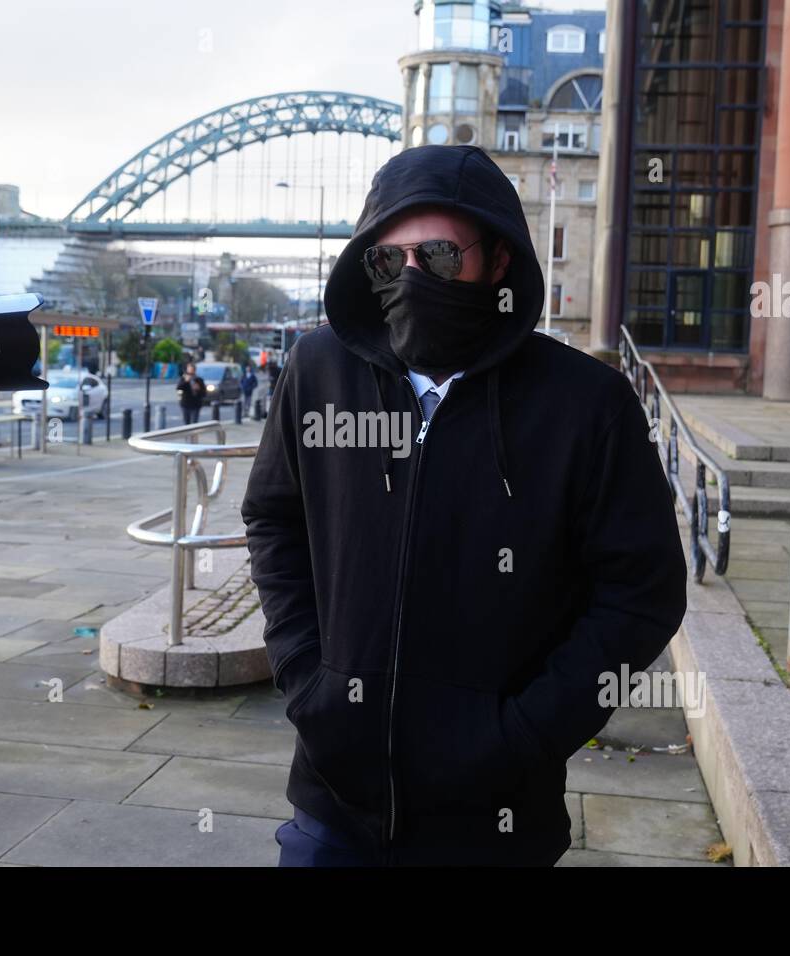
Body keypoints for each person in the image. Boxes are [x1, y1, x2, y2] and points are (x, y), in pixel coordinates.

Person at [241, 145, 688, 867]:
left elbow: (642, 592)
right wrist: (307, 677)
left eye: (442, 257)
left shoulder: (585, 404)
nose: (414, 279)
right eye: (389, 263)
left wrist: (524, 734)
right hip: (332, 807)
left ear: (499, 260)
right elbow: (274, 519)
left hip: (498, 822)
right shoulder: (319, 369)